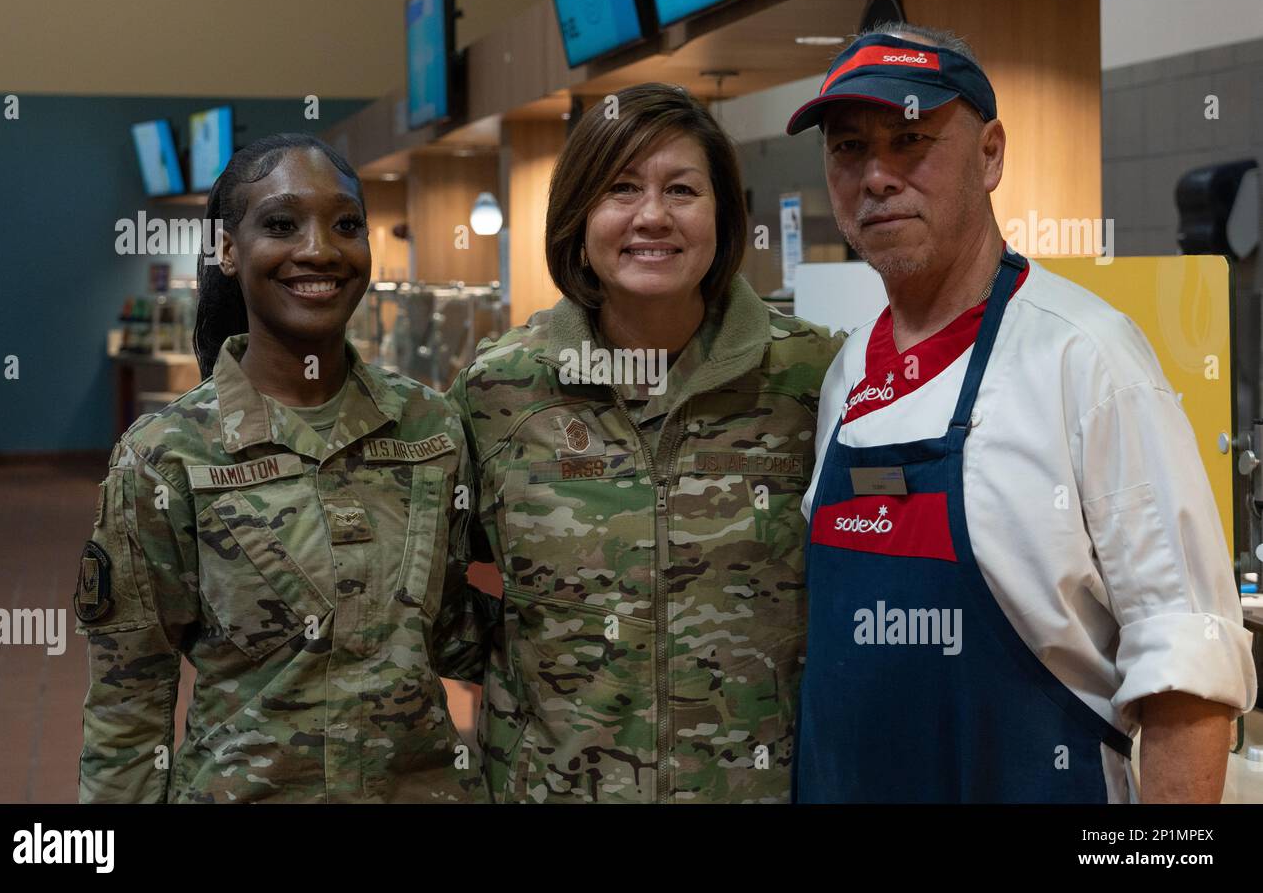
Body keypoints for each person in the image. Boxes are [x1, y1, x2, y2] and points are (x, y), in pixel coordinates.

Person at [787, 24, 1257, 802]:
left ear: (991, 153)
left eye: (911, 139)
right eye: (847, 149)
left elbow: (1187, 669)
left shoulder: (1087, 357)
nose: (876, 176)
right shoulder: (844, 378)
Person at [449, 83, 844, 802]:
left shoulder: (812, 377)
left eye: (683, 190)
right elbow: (436, 592)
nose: (653, 216)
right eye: (621, 188)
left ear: (723, 214)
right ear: (579, 215)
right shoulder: (500, 389)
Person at [75, 133, 496, 802]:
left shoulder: (432, 428)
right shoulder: (166, 454)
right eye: (280, 224)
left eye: (346, 225)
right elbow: (128, 708)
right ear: (227, 249)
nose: (319, 249)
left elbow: (456, 634)